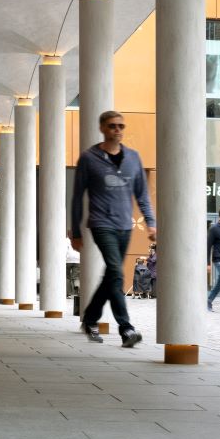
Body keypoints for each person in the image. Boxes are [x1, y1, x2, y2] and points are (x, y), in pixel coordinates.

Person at [70, 108, 157, 348]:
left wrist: (151, 222)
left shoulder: (133, 158)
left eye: (120, 126)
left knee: (112, 274)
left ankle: (90, 319)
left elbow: (142, 194)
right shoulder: (89, 159)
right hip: (101, 224)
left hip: (124, 226)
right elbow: (77, 197)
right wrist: (75, 232)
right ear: (102, 128)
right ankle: (126, 329)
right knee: (117, 274)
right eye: (112, 126)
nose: (117, 130)